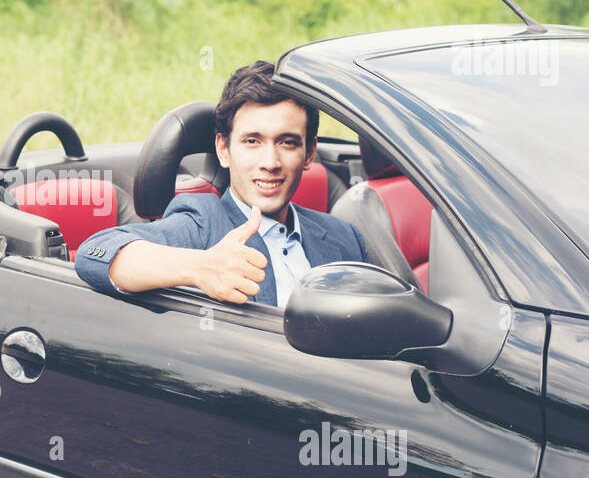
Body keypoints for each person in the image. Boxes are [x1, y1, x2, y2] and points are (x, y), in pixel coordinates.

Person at [75, 60, 370, 307]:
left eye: (288, 142)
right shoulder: (204, 222)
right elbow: (96, 254)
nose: (271, 161)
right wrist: (199, 266)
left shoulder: (344, 236)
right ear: (224, 150)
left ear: (309, 154)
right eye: (252, 141)